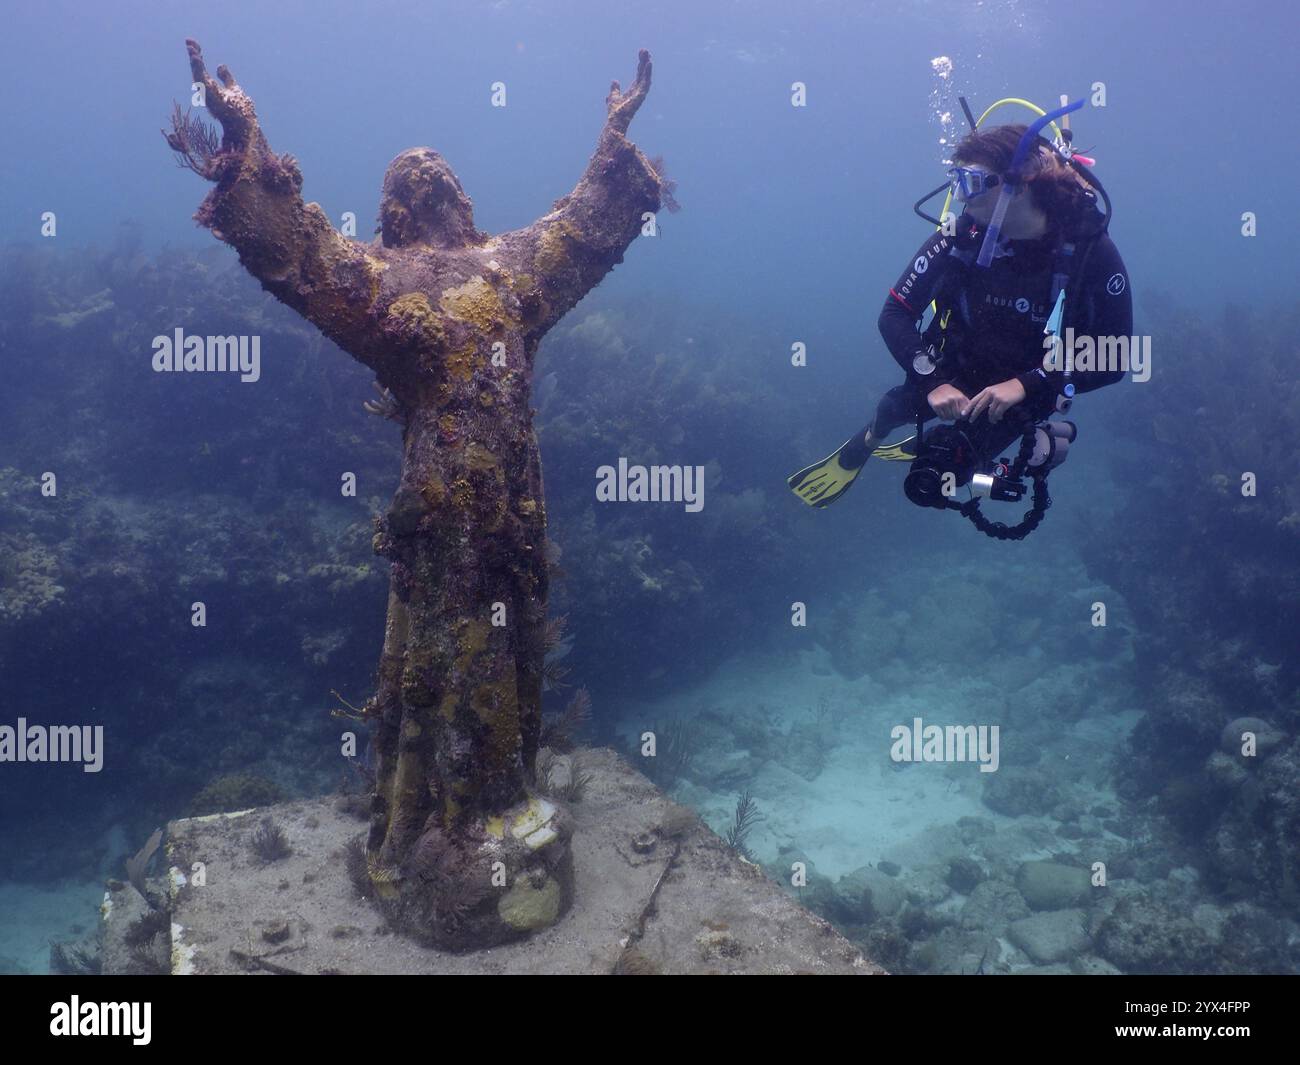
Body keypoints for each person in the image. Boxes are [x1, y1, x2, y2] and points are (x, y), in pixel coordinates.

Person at [789, 122, 1132, 508]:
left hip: (1029, 382)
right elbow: (894, 313)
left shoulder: (1090, 249)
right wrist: (932, 381)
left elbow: (1115, 357)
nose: (961, 196)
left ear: (1019, 183)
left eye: (973, 182)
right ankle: (868, 439)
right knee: (892, 408)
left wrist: (1029, 382)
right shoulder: (963, 233)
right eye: (957, 180)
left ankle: (972, 460)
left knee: (956, 462)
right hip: (954, 363)